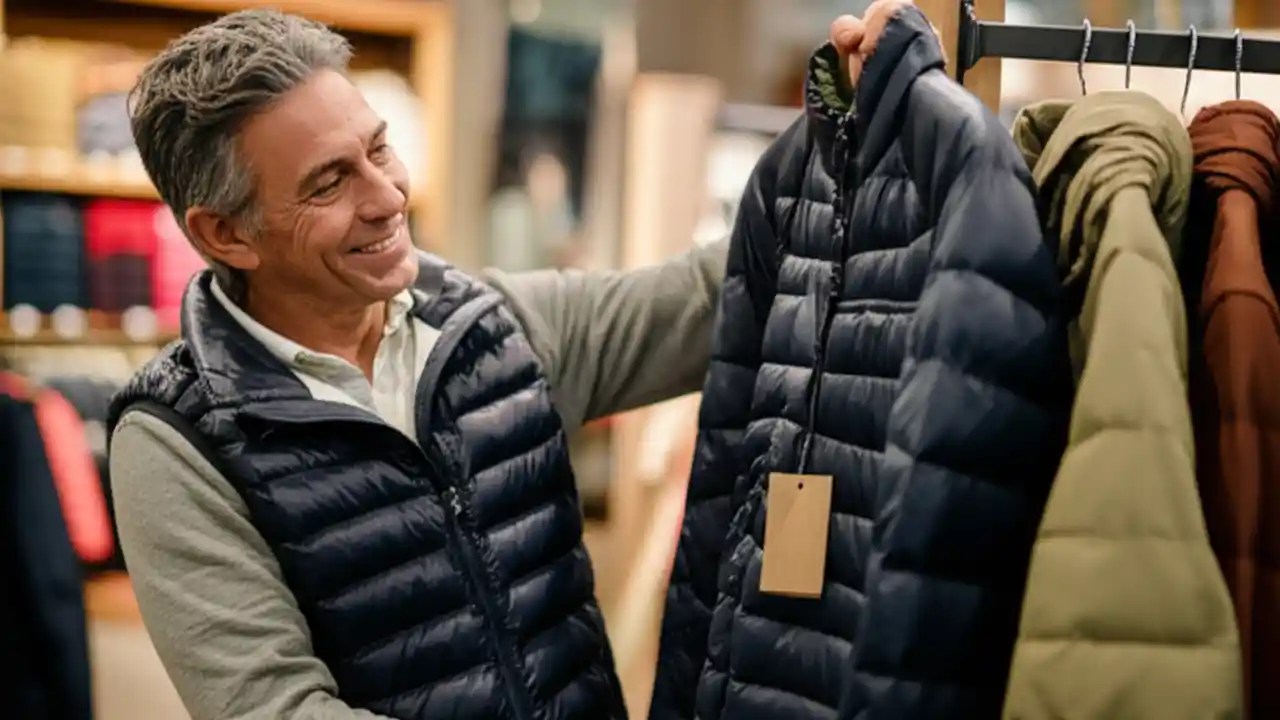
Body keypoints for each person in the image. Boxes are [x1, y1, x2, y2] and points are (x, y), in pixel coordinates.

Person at [105, 7, 885, 720]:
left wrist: (842, 113)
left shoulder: (495, 328)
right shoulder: (181, 445)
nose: (386, 196)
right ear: (226, 235)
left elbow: (715, 294)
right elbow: (273, 710)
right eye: (329, 182)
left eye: (378, 148)